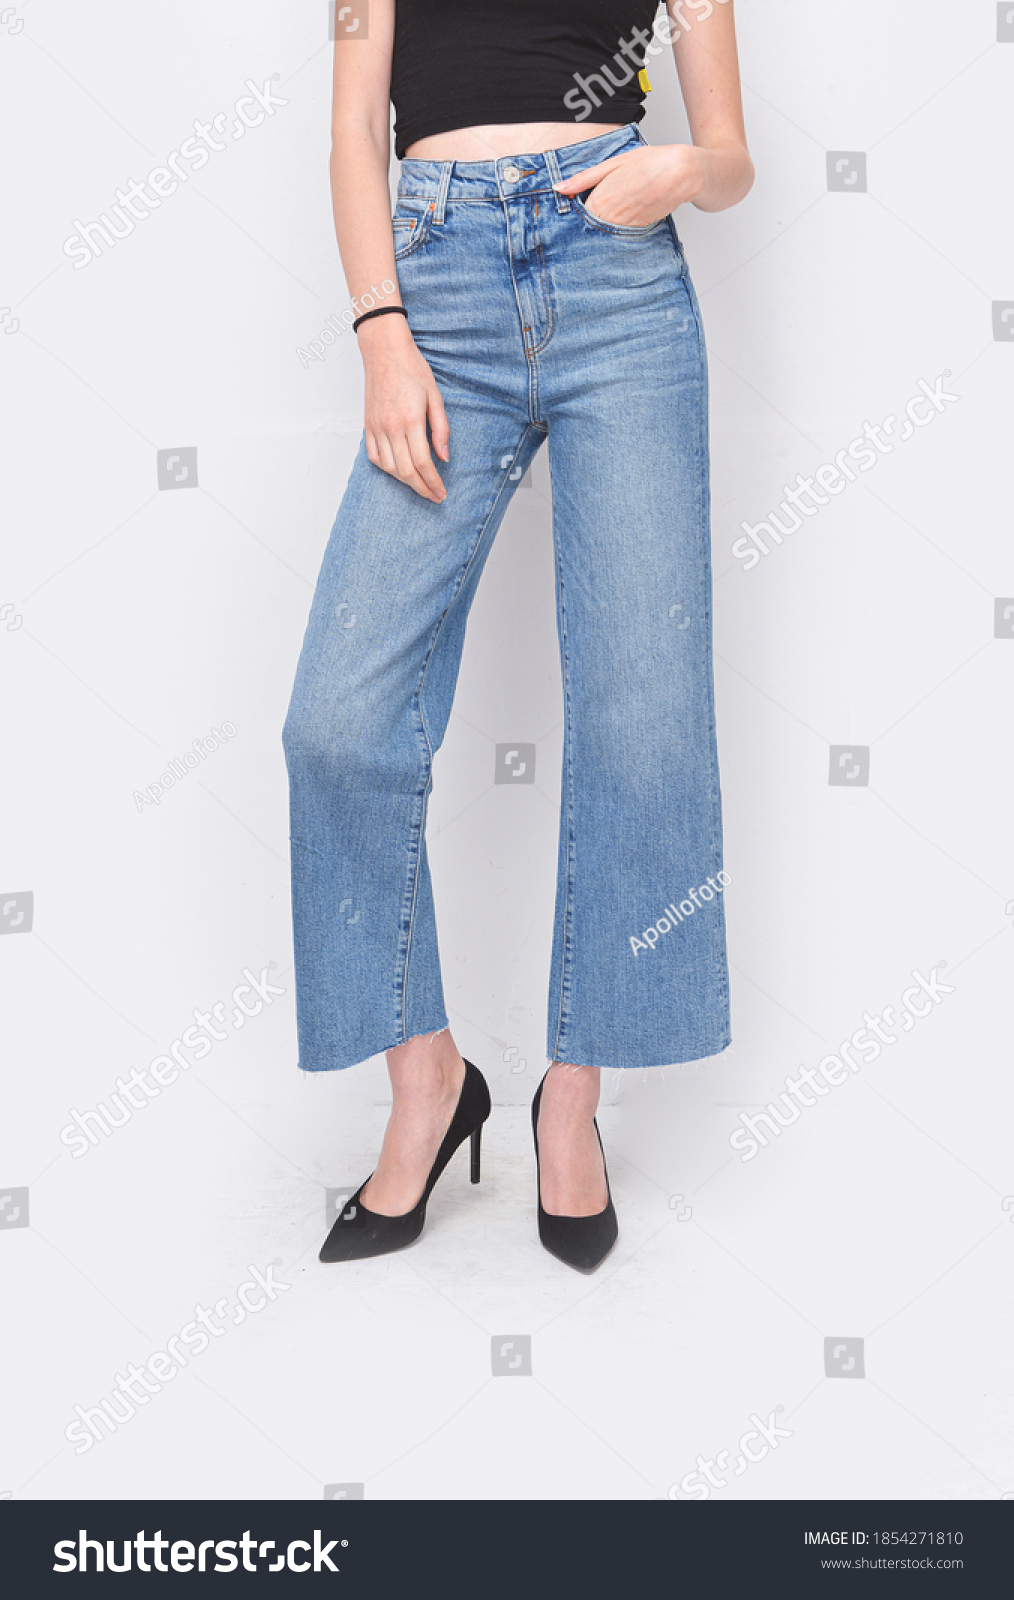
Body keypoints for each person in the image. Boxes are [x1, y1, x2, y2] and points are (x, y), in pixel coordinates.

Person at [282, 0, 754, 1273]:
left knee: (643, 719)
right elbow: (353, 125)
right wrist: (381, 331)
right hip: (435, 285)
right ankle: (429, 1083)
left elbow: (731, 154)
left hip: (618, 284)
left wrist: (683, 171)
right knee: (337, 721)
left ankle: (573, 1097)